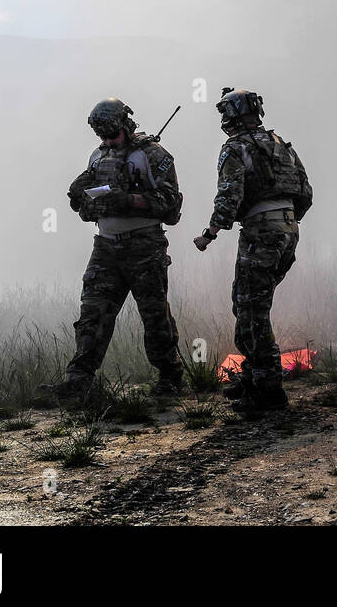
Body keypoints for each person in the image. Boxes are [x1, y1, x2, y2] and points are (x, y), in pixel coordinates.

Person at [43, 98, 185, 402]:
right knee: (92, 313)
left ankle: (170, 378)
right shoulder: (98, 156)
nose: (107, 141)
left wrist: (130, 200)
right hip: (105, 247)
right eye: (102, 136)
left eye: (112, 135)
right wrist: (84, 201)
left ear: (125, 126)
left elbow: (170, 202)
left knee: (154, 313)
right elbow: (87, 207)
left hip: (144, 245)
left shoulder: (152, 154)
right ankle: (78, 382)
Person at [193, 88, 311, 411]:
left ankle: (267, 389)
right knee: (251, 302)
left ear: (232, 115)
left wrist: (210, 233)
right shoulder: (279, 144)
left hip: (261, 233)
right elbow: (306, 192)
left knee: (251, 309)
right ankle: (253, 375)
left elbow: (229, 195)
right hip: (288, 230)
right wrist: (284, 222)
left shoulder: (235, 147)